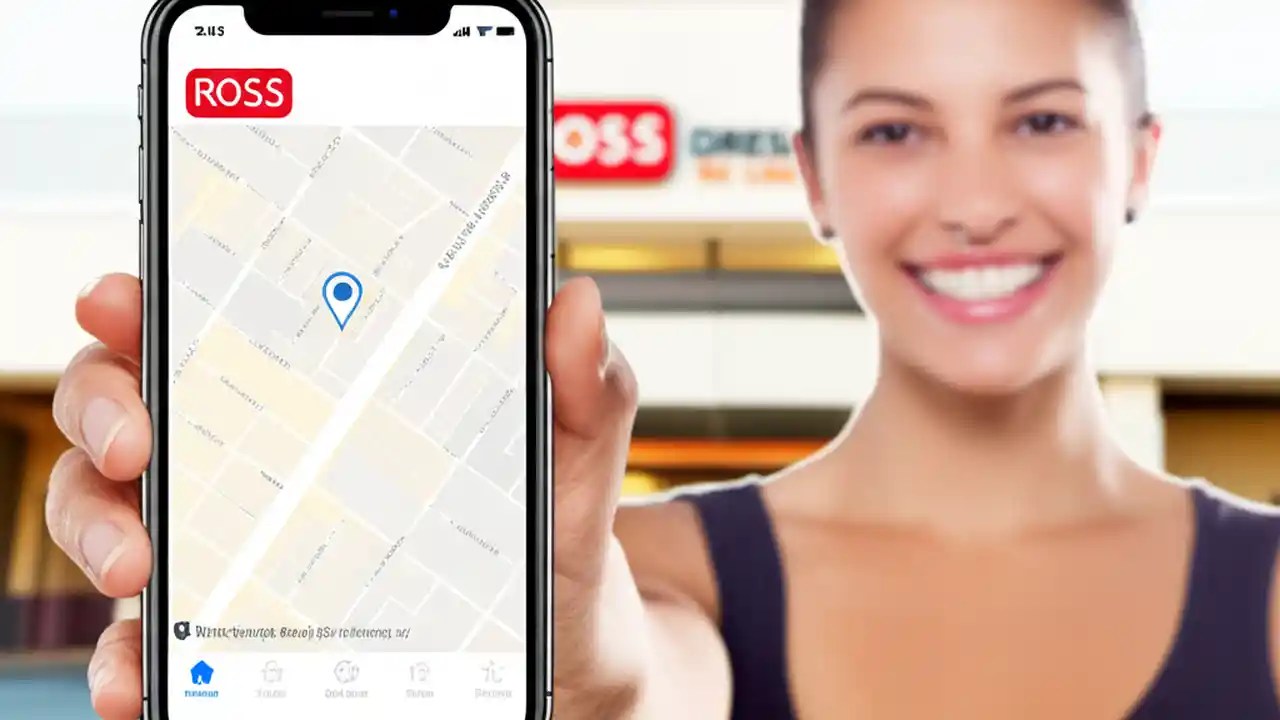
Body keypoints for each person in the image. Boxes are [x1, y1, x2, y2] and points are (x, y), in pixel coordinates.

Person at [44, 0, 1280, 718]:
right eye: (896, 128)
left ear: (1141, 159)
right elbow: (637, 679)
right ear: (810, 176)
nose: (970, 202)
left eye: (1043, 120)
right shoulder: (646, 572)